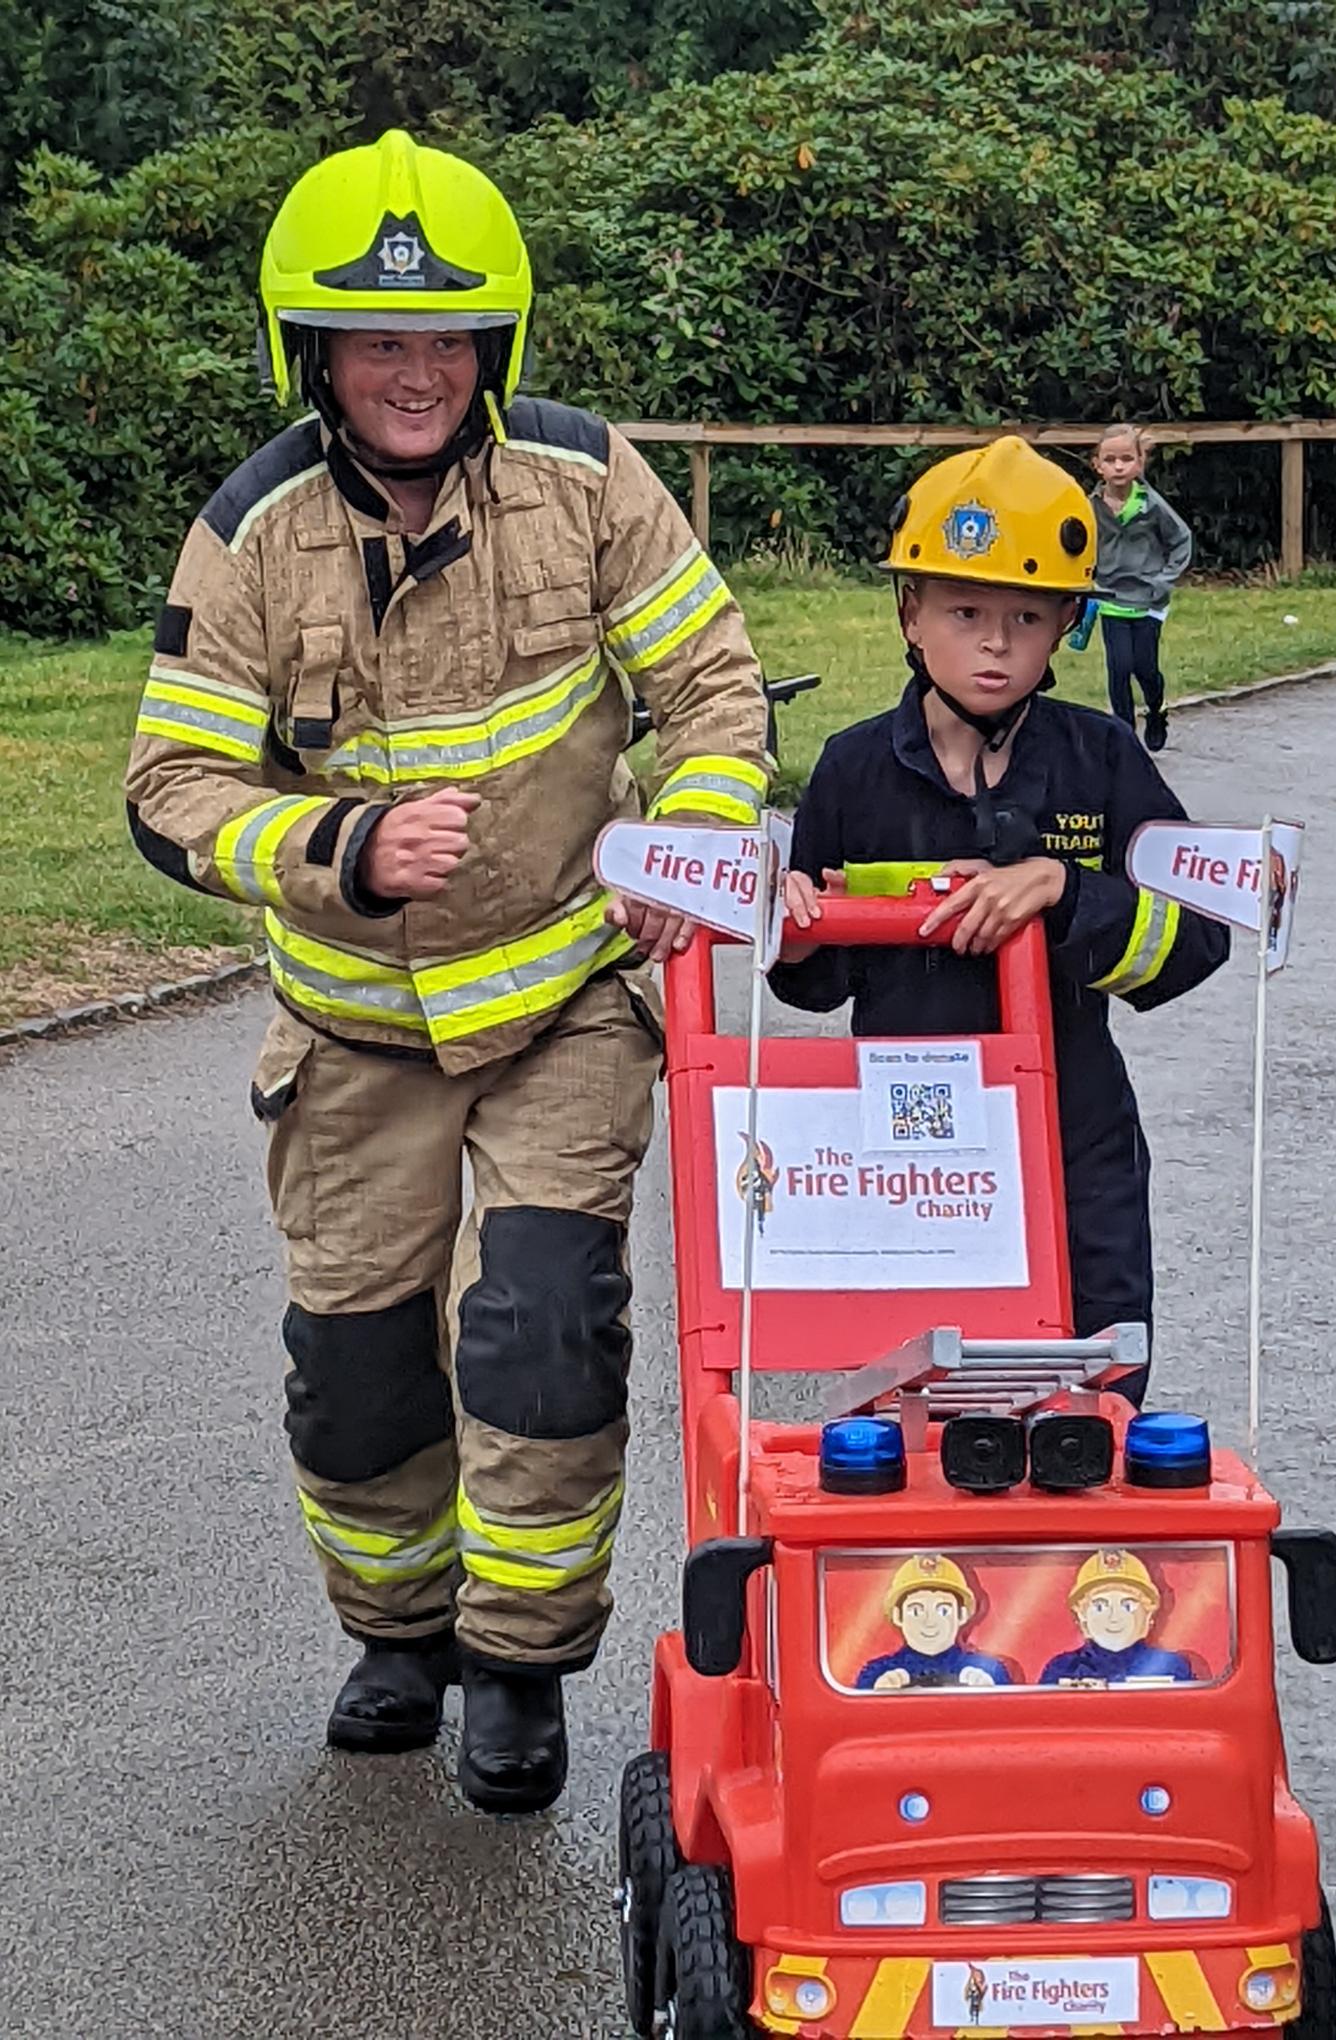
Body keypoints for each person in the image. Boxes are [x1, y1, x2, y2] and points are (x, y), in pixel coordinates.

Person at [123, 131, 768, 1814]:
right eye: (377, 339)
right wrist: (340, 850)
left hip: (562, 1002)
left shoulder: (586, 478)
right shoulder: (248, 531)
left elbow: (714, 679)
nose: (416, 373)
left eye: (447, 338)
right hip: (352, 1031)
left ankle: (521, 1668)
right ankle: (398, 1634)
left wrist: (691, 837)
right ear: (313, 354)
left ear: (497, 347)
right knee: (358, 1376)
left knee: (543, 1332)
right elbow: (171, 789)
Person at [770, 437, 1228, 1387]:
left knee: (1090, 1402)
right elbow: (810, 988)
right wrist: (798, 922)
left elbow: (1200, 935)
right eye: (965, 610)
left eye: (1026, 616)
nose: (994, 641)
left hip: (1075, 1134)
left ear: (1068, 622)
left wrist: (1069, 894)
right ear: (910, 612)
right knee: (907, 1414)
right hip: (908, 1149)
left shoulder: (1101, 762)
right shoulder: (853, 772)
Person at [1089, 425, 1192, 752]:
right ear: (1097, 465)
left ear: (1139, 463)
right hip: (1110, 598)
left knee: (1144, 667)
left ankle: (1157, 709)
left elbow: (1181, 540)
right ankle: (1124, 735)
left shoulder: (1152, 506)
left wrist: (1163, 580)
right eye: (1110, 459)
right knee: (1119, 668)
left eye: (1126, 459)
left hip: (1149, 600)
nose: (1118, 466)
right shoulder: (1089, 506)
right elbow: (1076, 544)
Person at [1038, 1548, 1194, 1687]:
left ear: (1148, 1613)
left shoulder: (1171, 1666)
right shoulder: (1063, 1668)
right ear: (1082, 1614)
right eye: (1100, 1606)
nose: (1114, 1617)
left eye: (1128, 1606)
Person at [855, 1555, 1012, 1690]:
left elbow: (1013, 1718)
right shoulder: (876, 1672)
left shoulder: (990, 1670)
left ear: (962, 1615)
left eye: (943, 1611)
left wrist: (990, 1694)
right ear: (898, 1616)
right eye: (916, 1611)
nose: (929, 1621)